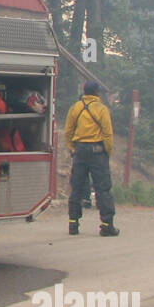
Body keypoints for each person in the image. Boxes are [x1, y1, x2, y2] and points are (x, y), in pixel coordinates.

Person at [64, 80, 118, 237]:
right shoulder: (101, 109)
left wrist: (72, 148)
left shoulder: (76, 108)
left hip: (80, 151)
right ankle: (107, 225)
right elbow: (107, 133)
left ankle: (73, 224)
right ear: (97, 92)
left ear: (84, 91)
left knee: (77, 188)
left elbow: (68, 131)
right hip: (97, 152)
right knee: (103, 189)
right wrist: (107, 151)